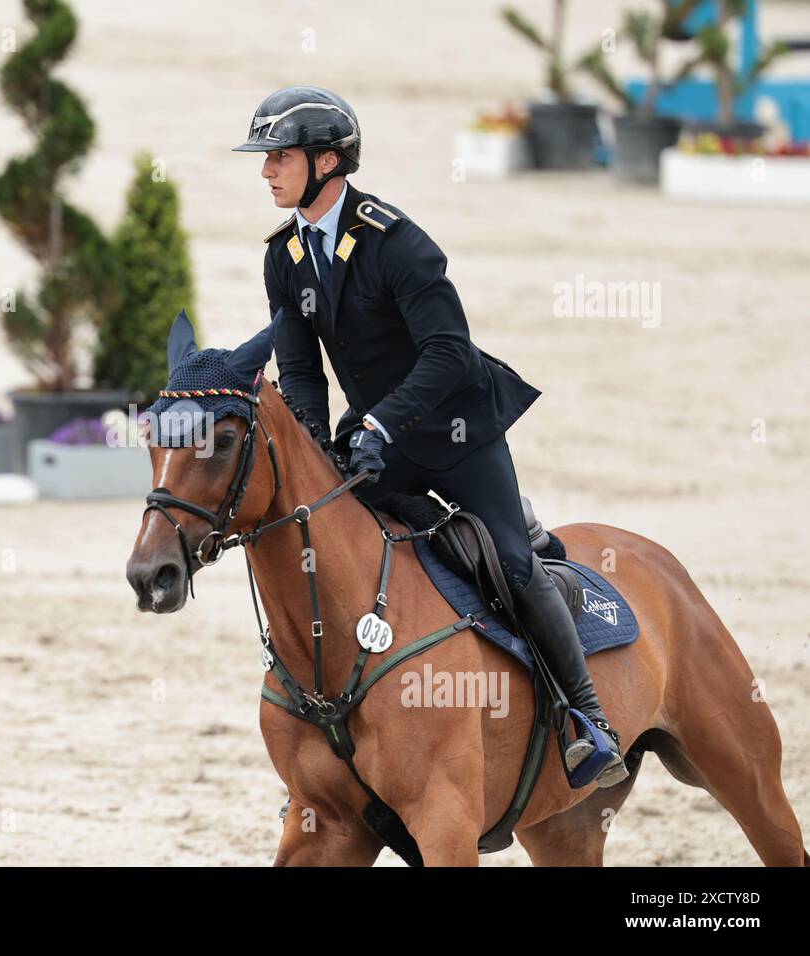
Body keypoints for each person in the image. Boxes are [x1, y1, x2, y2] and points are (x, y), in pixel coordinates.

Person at [234, 85, 628, 788]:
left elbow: (448, 351)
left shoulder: (397, 243)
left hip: (456, 428)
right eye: (265, 158)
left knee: (508, 563)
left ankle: (587, 720)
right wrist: (318, 448)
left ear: (329, 162)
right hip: (379, 437)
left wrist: (382, 421)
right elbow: (299, 370)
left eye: (280, 156)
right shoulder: (284, 257)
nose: (267, 170)